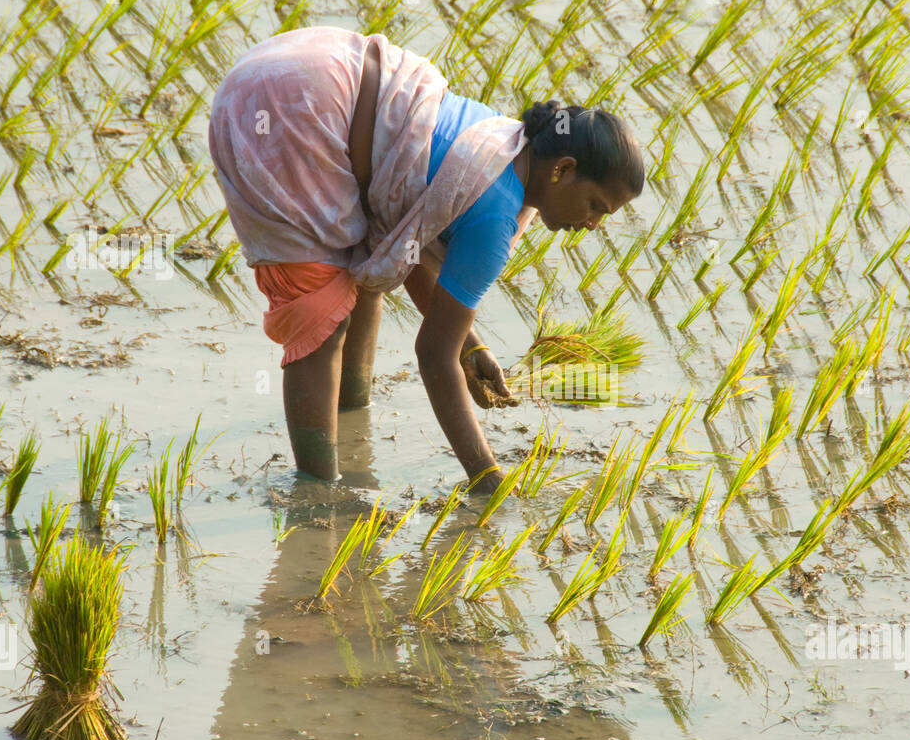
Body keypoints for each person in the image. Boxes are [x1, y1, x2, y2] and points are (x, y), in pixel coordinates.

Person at [207, 26, 643, 491]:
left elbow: (408, 249)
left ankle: (351, 420)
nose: (594, 224)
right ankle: (318, 494)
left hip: (302, 65)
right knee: (321, 317)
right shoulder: (494, 219)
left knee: (364, 280)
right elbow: (433, 356)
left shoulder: (500, 143)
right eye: (597, 206)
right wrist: (487, 476)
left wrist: (471, 346)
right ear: (563, 170)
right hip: (296, 111)